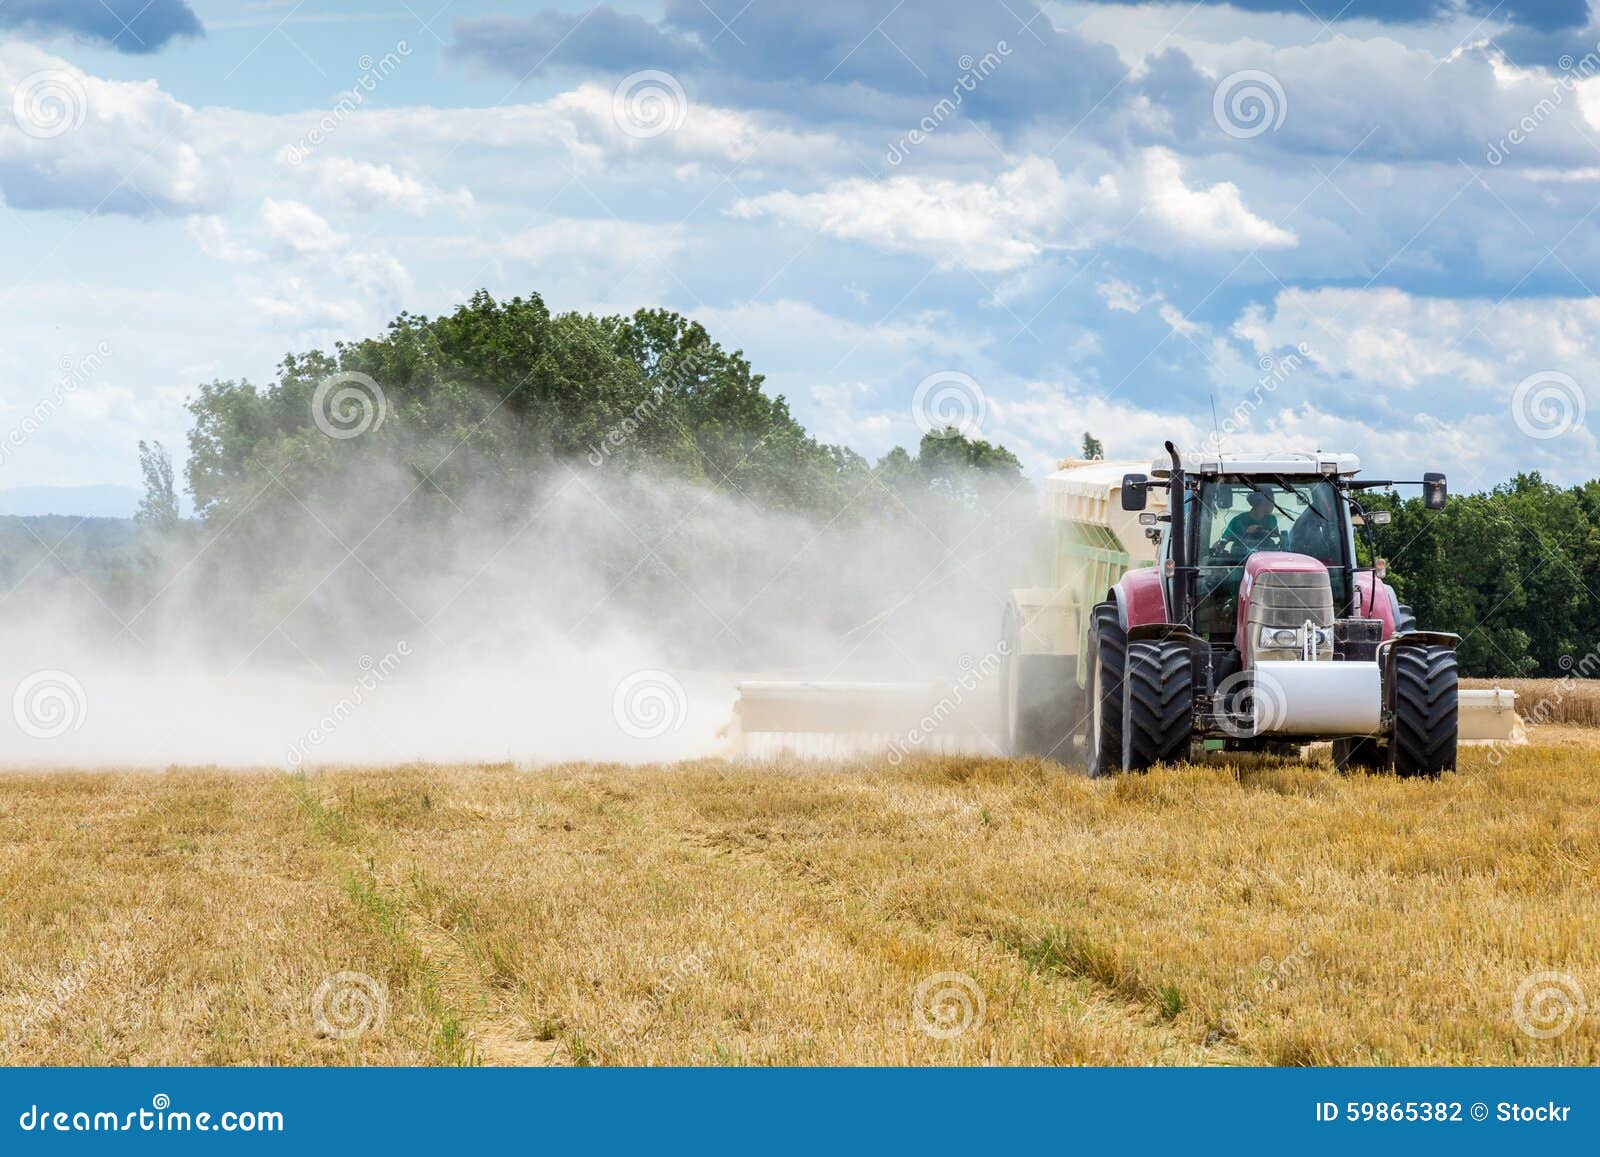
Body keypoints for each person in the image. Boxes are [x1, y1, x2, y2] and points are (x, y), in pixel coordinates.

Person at [1222, 489, 1280, 554]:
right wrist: (1246, 533)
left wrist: (1263, 531)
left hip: (1265, 555)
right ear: (1257, 503)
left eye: (1273, 502)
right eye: (1269, 502)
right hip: (1240, 557)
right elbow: (1225, 539)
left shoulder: (1271, 519)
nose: (1272, 505)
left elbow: (1275, 534)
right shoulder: (1238, 520)